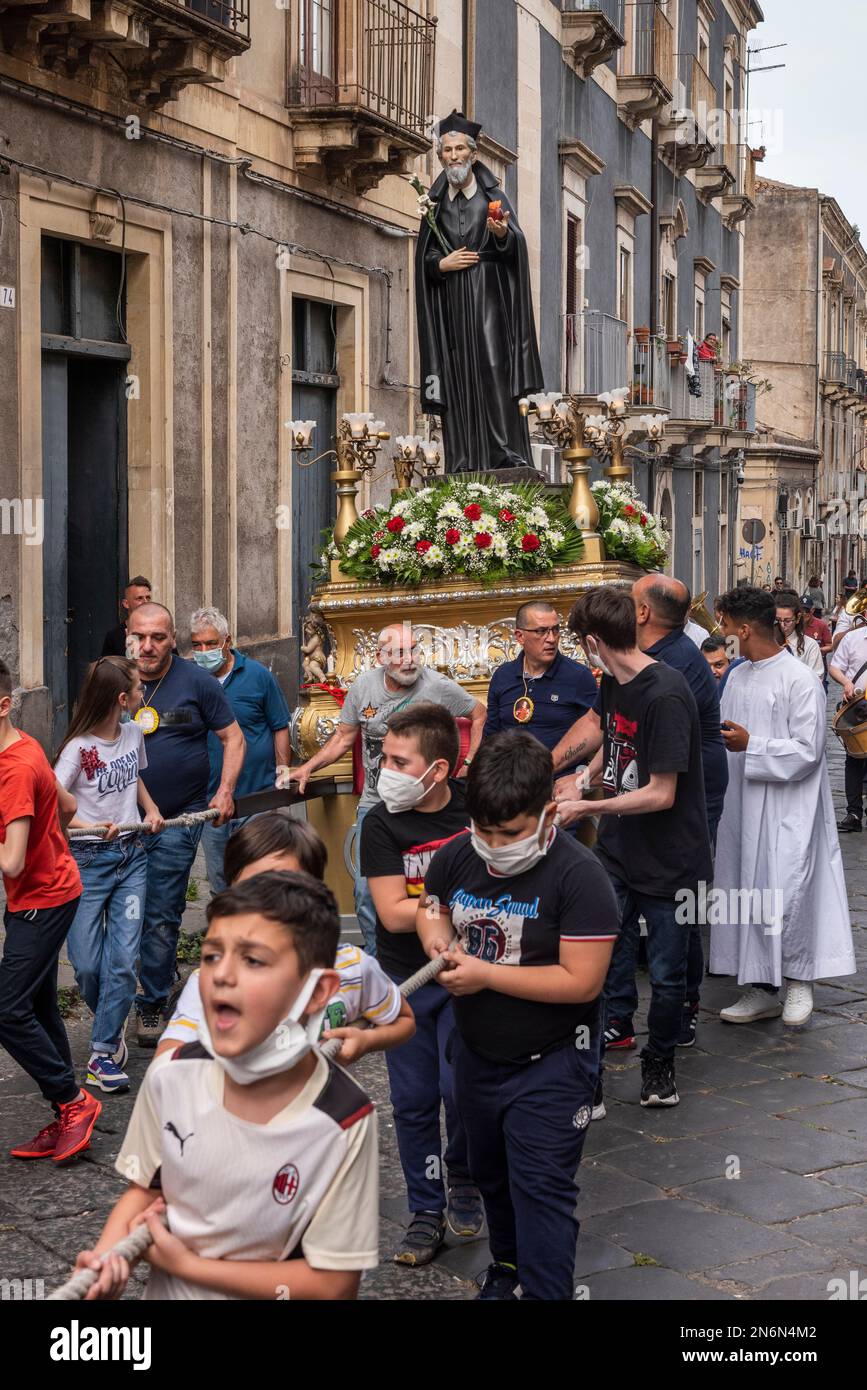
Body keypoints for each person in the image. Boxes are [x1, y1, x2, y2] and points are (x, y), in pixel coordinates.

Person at [68, 873, 379, 1300]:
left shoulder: (345, 1118)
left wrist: (191, 1267)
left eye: (253, 960)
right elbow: (145, 1192)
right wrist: (107, 1259)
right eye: (212, 956)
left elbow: (333, 1284)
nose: (223, 975)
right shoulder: (171, 1073)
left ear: (317, 991)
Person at [418, 731, 618, 1301]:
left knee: (542, 1190)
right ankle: (507, 1270)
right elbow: (430, 906)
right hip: (478, 1058)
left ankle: (547, 1289)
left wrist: (484, 975)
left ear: (548, 814)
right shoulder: (462, 852)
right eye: (482, 829)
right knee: (492, 1177)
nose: (491, 844)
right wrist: (437, 942)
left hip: (553, 1063)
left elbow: (582, 981)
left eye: (507, 834)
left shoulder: (580, 878)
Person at [555, 587, 712, 1108]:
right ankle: (590, 1077)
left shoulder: (665, 694)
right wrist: (582, 779)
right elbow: (611, 739)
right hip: (618, 854)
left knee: (666, 978)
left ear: (594, 641)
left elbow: (662, 793)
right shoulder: (610, 683)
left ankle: (659, 1065)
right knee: (594, 964)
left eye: (581, 642)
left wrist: (588, 809)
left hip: (671, 859)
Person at [361, 703, 482, 1265]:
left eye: (396, 760)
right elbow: (390, 911)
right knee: (411, 1101)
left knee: (460, 1092)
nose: (382, 768)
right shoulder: (381, 822)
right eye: (383, 756)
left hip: (464, 978)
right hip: (402, 979)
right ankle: (424, 1210)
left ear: (437, 771)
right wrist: (455, 908)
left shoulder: (472, 815)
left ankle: (463, 1178)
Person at [282, 622, 485, 956]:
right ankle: (380, 962)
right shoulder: (363, 687)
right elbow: (343, 738)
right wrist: (306, 767)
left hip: (423, 802)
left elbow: (478, 713)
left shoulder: (437, 686)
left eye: (414, 650)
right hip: (376, 804)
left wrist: (470, 762)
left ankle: (441, 951)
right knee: (365, 893)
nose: (409, 660)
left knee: (432, 884)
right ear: (380, 657)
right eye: (399, 653)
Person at [155, 812, 415, 1062]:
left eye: (285, 885)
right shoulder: (215, 980)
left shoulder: (352, 966)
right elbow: (167, 1061)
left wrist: (366, 1041)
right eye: (254, 886)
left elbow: (403, 1020)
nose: (269, 898)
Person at [711, 587, 855, 1027]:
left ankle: (798, 980)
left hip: (789, 806)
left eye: (727, 625)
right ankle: (758, 985)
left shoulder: (799, 679)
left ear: (746, 628)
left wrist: (752, 745)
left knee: (789, 888)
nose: (723, 632)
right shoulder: (736, 676)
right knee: (747, 890)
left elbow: (807, 750)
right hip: (743, 801)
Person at [609, 576, 727, 1050]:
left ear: (641, 615)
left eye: (630, 601)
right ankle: (621, 1015)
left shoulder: (668, 668)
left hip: (684, 793)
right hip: (648, 790)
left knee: (678, 903)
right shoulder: (642, 661)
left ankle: (682, 1006)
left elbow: (661, 782)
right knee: (630, 905)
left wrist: (593, 800)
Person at [126, 603, 245, 1047]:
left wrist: (225, 790)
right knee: (119, 912)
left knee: (159, 910)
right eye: (140, 636)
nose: (148, 645)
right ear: (127, 635)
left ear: (172, 639)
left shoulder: (196, 680)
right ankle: (141, 978)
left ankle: (153, 999)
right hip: (119, 823)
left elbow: (233, 737)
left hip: (178, 818)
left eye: (158, 637)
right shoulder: (114, 680)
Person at [0, 659, 101, 1165]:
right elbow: (63, 804)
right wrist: (79, 827)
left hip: (42, 899)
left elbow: (12, 862)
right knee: (36, 1007)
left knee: (6, 1010)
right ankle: (66, 1108)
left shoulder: (13, 768)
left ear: (3, 706)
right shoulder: (27, 746)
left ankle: (72, 1100)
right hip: (46, 894)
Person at [54, 658, 164, 1093]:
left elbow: (134, 778)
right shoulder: (77, 749)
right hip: (86, 862)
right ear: (122, 699)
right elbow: (54, 801)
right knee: (85, 965)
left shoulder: (134, 733)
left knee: (121, 961)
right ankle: (113, 1021)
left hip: (131, 856)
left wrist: (151, 809)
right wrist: (87, 826)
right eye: (138, 689)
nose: (143, 695)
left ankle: (102, 1051)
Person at [415, 111, 543, 473]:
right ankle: (463, 458)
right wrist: (441, 265)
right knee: (457, 374)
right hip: (452, 304)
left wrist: (501, 234)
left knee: (493, 368)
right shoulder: (434, 205)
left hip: (489, 299)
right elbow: (424, 258)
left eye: (459, 149)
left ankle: (504, 452)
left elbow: (516, 246)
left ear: (473, 154)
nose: (453, 156)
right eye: (446, 150)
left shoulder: (493, 197)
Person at [189, 607, 290, 894]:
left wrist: (281, 776)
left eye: (210, 643)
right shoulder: (191, 681)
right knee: (221, 882)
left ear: (227, 641)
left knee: (260, 879)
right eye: (196, 645)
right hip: (210, 804)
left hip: (257, 797)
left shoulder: (257, 676)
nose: (203, 650)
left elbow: (279, 726)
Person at [483, 601, 598, 763]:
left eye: (556, 630)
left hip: (560, 777)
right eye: (541, 631)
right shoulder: (503, 676)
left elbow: (596, 734)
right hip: (509, 778)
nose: (551, 639)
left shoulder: (579, 676)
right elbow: (491, 735)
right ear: (520, 636)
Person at [829, 621, 867, 833]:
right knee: (854, 759)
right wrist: (846, 683)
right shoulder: (853, 638)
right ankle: (854, 813)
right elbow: (835, 667)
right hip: (856, 706)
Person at [774, 592, 824, 680]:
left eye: (787, 621)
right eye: (778, 620)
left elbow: (816, 678)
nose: (782, 625)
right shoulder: (769, 643)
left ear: (798, 618)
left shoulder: (810, 645)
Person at [100, 577, 152, 657]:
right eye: (139, 598)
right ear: (126, 604)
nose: (145, 602)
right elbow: (107, 668)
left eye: (148, 598)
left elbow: (174, 665)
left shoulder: (160, 631)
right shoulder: (114, 636)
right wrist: (132, 651)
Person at [800, 595, 832, 688]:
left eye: (807, 611)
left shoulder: (821, 625)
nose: (804, 614)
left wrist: (815, 650)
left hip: (818, 663)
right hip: (800, 663)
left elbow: (830, 646)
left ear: (813, 610)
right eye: (801, 611)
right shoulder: (795, 625)